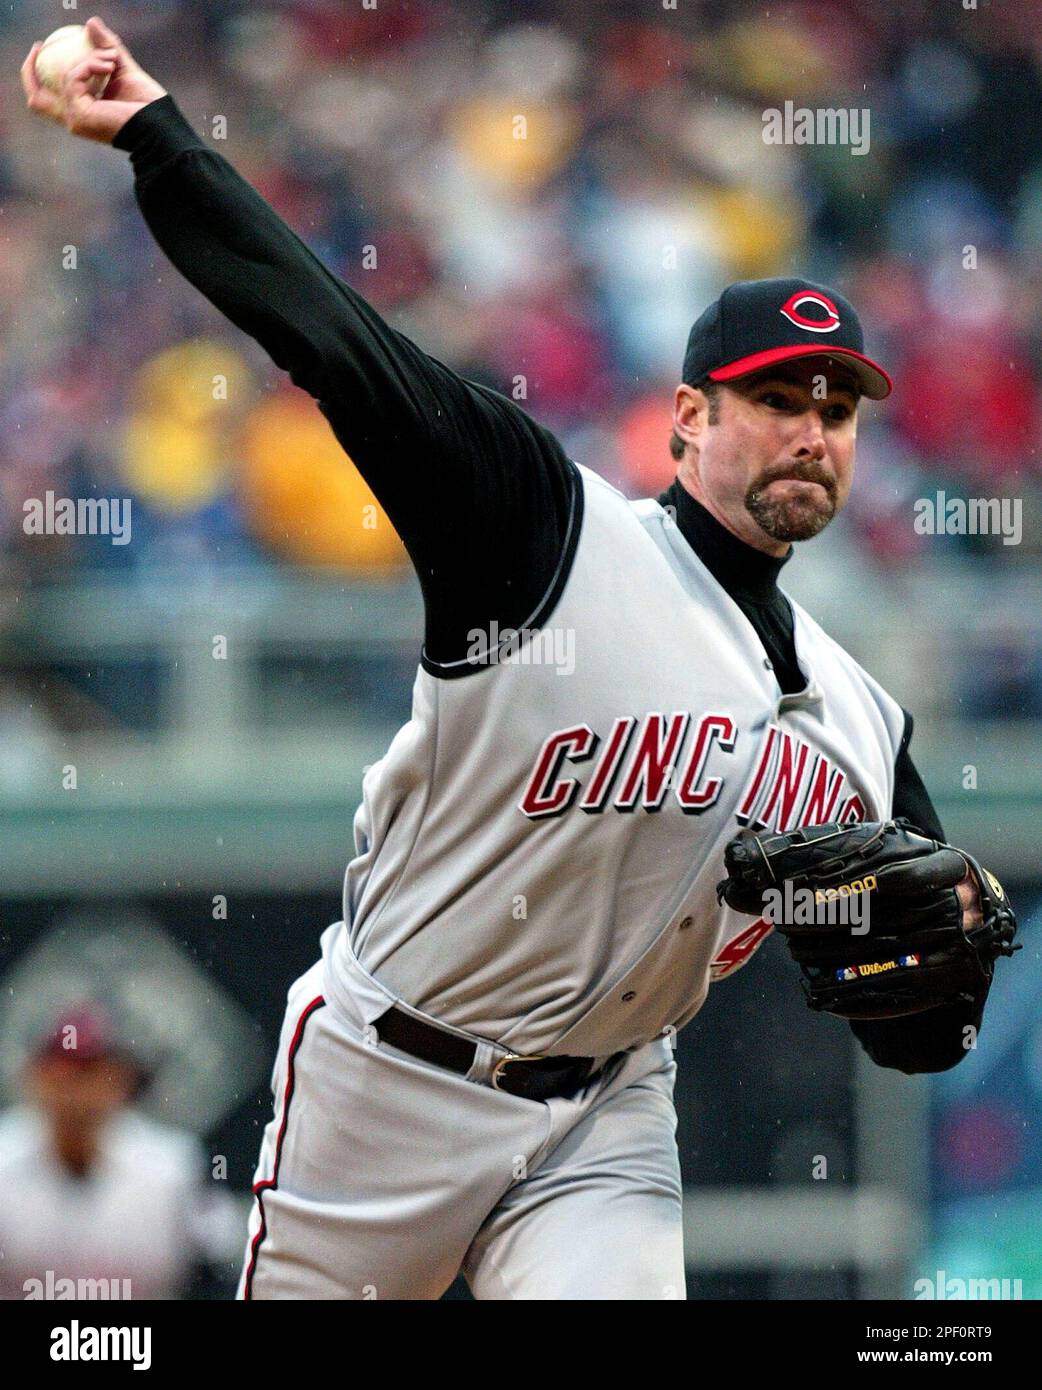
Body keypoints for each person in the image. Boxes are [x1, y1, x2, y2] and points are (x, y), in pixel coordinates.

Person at [21, 18, 1003, 1300]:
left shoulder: (867, 724)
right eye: (777, 398)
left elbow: (920, 1017)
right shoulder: (549, 531)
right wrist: (155, 138)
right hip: (391, 1083)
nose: (812, 428)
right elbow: (335, 338)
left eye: (835, 406)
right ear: (690, 417)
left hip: (607, 1116)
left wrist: (942, 961)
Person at [0, 1005, 240, 1300]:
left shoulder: (175, 1167)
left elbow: (221, 1273)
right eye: (60, 1070)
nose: (74, 1089)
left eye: (89, 1071)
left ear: (122, 1080)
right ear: (33, 1076)